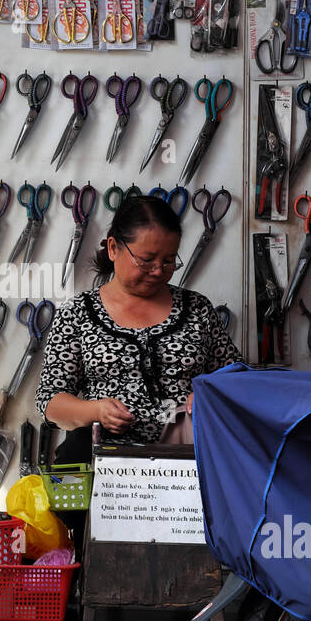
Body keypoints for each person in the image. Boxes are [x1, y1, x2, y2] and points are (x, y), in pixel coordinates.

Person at [35, 195, 242, 462]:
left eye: (168, 261)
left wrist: (209, 396)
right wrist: (96, 411)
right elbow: (50, 401)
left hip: (189, 462)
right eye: (146, 260)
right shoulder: (77, 313)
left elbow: (236, 379)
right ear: (113, 248)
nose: (158, 271)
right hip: (106, 465)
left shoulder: (197, 309)